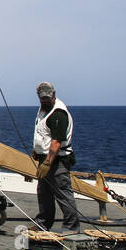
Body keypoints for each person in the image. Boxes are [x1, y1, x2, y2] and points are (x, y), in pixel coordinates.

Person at [33, 82, 80, 232]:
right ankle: (43, 224)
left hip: (57, 160)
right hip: (44, 158)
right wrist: (37, 150)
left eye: (48, 99)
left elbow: (56, 141)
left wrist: (47, 163)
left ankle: (71, 228)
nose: (45, 101)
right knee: (44, 193)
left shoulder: (58, 113)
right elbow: (43, 133)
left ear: (54, 95)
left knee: (63, 195)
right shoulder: (43, 110)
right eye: (42, 99)